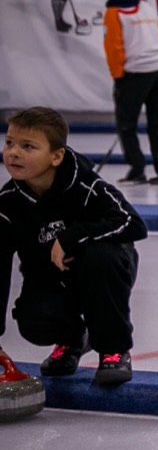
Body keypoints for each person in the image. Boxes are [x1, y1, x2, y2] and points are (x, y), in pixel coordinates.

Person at [0, 107, 146, 387]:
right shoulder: (7, 203)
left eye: (28, 146)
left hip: (104, 269)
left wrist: (70, 238)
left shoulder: (86, 186)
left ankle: (113, 348)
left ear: (56, 156)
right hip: (54, 276)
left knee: (101, 256)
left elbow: (132, 223)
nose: (14, 153)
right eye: (9, 143)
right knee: (33, 321)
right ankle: (73, 338)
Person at [101, 0, 158, 186]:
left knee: (126, 125)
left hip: (135, 73)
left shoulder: (113, 12)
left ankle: (137, 169)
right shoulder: (146, 7)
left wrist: (118, 78)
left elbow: (114, 48)